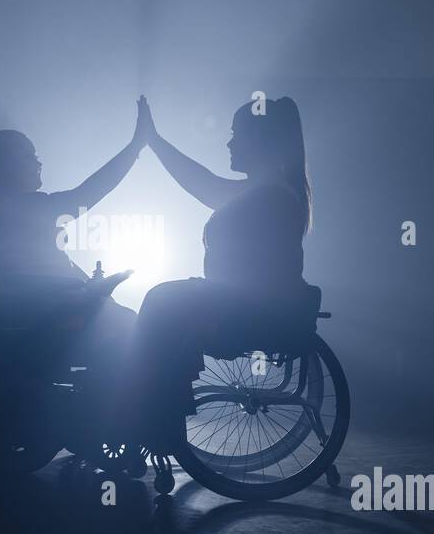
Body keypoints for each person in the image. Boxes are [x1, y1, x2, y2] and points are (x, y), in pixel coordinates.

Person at [127, 95, 319, 450]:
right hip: (241, 302)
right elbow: (202, 183)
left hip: (248, 309)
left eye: (237, 134)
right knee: (163, 299)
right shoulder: (267, 191)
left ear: (261, 141)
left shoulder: (270, 195)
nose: (229, 142)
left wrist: (153, 141)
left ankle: (149, 416)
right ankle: (152, 414)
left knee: (161, 299)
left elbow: (203, 186)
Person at [0, 101, 151, 368]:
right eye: (29, 156)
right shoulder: (27, 207)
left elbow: (49, 265)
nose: (38, 162)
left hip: (25, 319)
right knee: (134, 329)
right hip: (43, 321)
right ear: (8, 165)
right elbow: (91, 191)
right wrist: (135, 146)